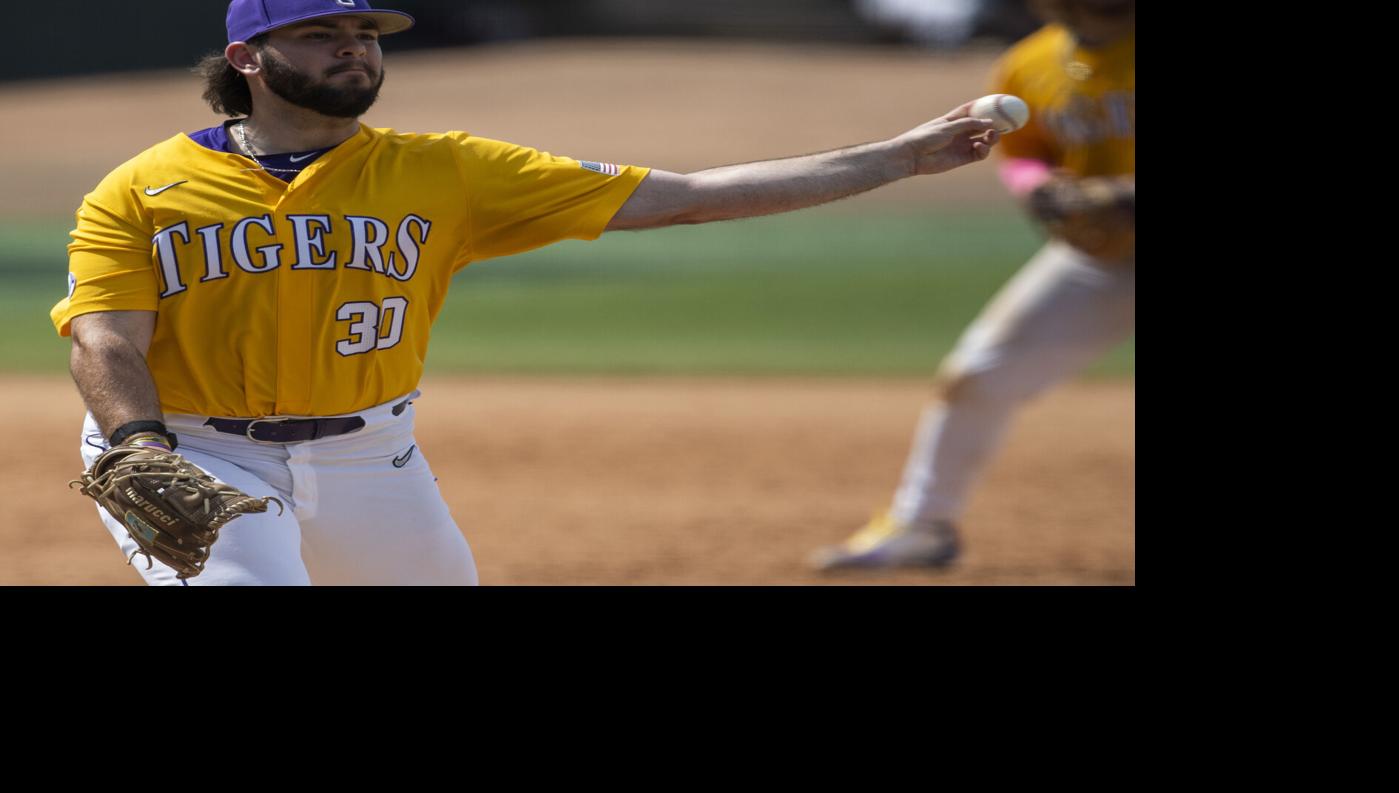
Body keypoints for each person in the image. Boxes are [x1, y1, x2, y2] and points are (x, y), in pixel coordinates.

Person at [50, 0, 1001, 586]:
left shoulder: (448, 171)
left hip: (372, 456)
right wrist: (139, 444)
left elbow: (690, 198)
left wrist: (898, 157)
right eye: (321, 34)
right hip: (201, 454)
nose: (354, 50)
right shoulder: (141, 188)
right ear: (250, 59)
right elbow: (105, 338)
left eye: (363, 34)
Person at [810, 0, 1134, 571]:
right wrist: (1040, 192)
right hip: (1099, 259)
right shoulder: (1028, 65)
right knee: (979, 375)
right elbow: (1026, 152)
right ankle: (919, 526)